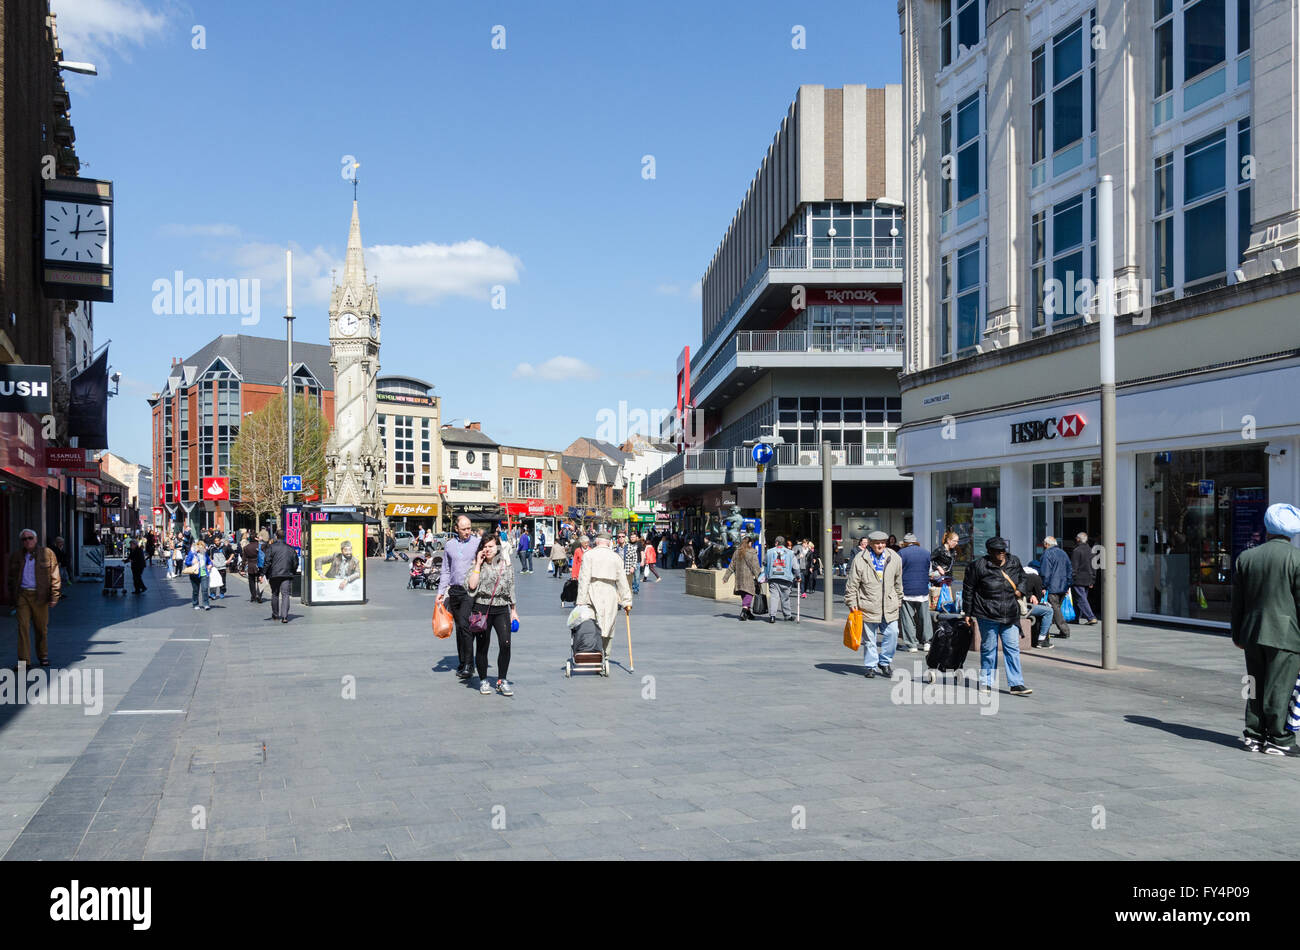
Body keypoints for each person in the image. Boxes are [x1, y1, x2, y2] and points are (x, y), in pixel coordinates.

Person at [1232, 503, 1300, 755]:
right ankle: (1278, 738)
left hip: (1251, 632)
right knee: (1280, 686)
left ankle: (1253, 734)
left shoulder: (1247, 558)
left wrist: (1237, 634)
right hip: (1286, 635)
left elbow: (1237, 602)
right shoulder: (1296, 558)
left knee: (1254, 683)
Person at [963, 537, 1033, 695]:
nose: (1002, 553)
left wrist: (1020, 590)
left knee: (1012, 648)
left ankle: (1016, 683)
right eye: (998, 551)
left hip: (1010, 613)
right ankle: (986, 682)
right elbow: (968, 589)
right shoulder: (978, 566)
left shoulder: (1014, 562)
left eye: (1003, 550)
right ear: (989, 551)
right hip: (987, 613)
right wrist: (967, 612)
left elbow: (1023, 577)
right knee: (989, 648)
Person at [465, 533, 519, 696]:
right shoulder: (476, 565)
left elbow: (511, 587)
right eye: (485, 546)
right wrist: (477, 564)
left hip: (501, 608)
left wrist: (514, 610)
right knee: (482, 646)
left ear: (497, 547)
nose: (487, 549)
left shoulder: (506, 564)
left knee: (506, 643)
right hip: (482, 608)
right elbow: (472, 586)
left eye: (490, 546)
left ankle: (502, 680)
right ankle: (483, 680)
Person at [845, 531, 903, 679]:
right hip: (867, 605)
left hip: (889, 605)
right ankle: (871, 666)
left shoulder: (894, 557)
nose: (881, 545)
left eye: (883, 542)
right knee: (870, 640)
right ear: (870, 544)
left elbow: (898, 581)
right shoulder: (860, 559)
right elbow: (852, 583)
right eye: (877, 543)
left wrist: (899, 599)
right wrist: (851, 601)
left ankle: (884, 662)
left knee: (893, 632)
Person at [436, 515, 483, 680]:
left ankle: (470, 664)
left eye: (469, 528)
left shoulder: (477, 543)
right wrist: (441, 592)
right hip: (454, 591)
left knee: (465, 625)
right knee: (459, 628)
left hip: (470, 591)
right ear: (456, 528)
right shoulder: (449, 545)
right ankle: (462, 662)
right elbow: (446, 570)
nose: (467, 532)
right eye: (464, 529)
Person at [7, 529, 60, 668]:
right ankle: (24, 661)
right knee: (23, 626)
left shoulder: (47, 553)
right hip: (23, 595)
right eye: (24, 539)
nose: (28, 541)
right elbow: (11, 577)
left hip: (40, 596)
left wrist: (55, 595)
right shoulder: (17, 556)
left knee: (41, 628)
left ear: (36, 539)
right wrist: (13, 596)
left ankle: (43, 656)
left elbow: (55, 574)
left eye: (30, 538)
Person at [575, 532, 632, 660]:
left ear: (596, 542)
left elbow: (583, 579)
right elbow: (622, 581)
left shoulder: (589, 555)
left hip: (592, 590)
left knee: (592, 623)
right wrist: (627, 601)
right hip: (610, 591)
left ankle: (592, 650)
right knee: (608, 624)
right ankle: (605, 654)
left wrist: (580, 600)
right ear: (609, 542)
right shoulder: (616, 557)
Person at [897, 533, 932, 652]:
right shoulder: (926, 553)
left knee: (907, 618)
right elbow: (929, 570)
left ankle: (912, 644)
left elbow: (897, 572)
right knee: (925, 617)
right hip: (922, 589)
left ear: (905, 543)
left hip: (907, 590)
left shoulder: (902, 553)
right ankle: (927, 642)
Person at [1039, 536, 1073, 639]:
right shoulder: (1063, 553)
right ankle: (1047, 630)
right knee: (1056, 609)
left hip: (1053, 587)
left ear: (1046, 544)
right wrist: (1068, 584)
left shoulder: (1047, 554)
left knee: (1055, 609)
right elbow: (1070, 569)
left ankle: (1065, 630)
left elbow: (1046, 572)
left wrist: (1044, 586)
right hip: (1063, 586)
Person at [723, 536, 762, 621]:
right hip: (748, 577)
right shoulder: (752, 552)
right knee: (749, 593)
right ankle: (744, 611)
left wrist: (726, 577)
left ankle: (748, 613)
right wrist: (759, 577)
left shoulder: (737, 552)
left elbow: (731, 566)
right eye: (751, 543)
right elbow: (755, 567)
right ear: (749, 543)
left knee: (744, 594)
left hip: (739, 578)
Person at [264, 529, 299, 623]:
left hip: (274, 574)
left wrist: (263, 573)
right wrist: (293, 571)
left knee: (275, 594)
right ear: (284, 537)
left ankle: (275, 614)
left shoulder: (271, 547)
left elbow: (267, 562)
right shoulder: (290, 548)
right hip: (286, 574)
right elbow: (295, 562)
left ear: (276, 536)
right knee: (285, 594)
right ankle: (284, 616)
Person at [764, 536, 800, 622]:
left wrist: (766, 574)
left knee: (774, 597)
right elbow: (796, 567)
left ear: (776, 543)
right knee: (785, 597)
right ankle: (787, 615)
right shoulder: (790, 553)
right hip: (786, 578)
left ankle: (772, 616)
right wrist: (798, 576)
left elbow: (764, 563)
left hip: (773, 577)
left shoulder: (769, 552)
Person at [1022, 561, 1054, 649]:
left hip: (1013, 605)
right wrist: (1033, 595)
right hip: (1025, 607)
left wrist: (1030, 595)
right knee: (1049, 611)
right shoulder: (1035, 577)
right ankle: (1042, 640)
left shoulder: (1019, 574)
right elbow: (1038, 598)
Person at [1070, 532, 1099, 625]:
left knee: (1081, 599)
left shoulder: (1077, 551)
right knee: (1079, 598)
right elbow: (1094, 567)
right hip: (1088, 578)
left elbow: (1074, 567)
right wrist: (1093, 580)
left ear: (1078, 539)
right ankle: (1076, 618)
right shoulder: (1091, 550)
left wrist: (1071, 578)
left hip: (1078, 579)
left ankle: (1091, 617)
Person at [184, 540, 212, 611]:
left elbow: (209, 561)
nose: (202, 548)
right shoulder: (192, 553)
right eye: (200, 547)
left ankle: (206, 604)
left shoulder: (204, 554)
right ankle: (195, 604)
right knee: (195, 590)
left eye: (203, 547)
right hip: (194, 574)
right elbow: (187, 562)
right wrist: (192, 562)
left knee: (205, 589)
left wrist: (210, 565)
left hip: (204, 573)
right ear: (197, 546)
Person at [242, 532, 263, 603]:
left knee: (251, 581)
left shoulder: (246, 547)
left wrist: (242, 568)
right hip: (259, 565)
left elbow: (244, 559)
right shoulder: (260, 546)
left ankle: (253, 596)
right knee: (260, 581)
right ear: (255, 538)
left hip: (250, 565)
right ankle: (259, 595)